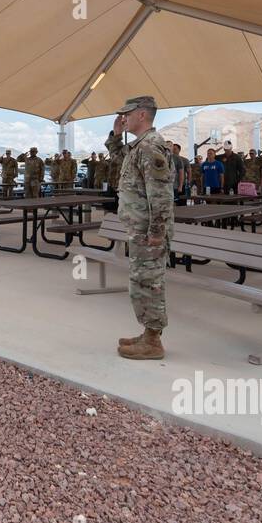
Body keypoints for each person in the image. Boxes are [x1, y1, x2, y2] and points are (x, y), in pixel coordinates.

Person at [113, 96, 175, 360]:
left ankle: (153, 342)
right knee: (141, 282)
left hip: (148, 232)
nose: (123, 118)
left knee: (149, 283)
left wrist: (156, 233)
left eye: (127, 114)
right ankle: (149, 333)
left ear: (141, 115)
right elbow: (118, 159)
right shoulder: (139, 147)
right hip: (139, 229)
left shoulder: (150, 147)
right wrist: (115, 136)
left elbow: (160, 196)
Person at [105, 120, 127, 210]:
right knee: (111, 208)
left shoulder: (122, 149)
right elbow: (109, 146)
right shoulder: (116, 150)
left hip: (120, 185)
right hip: (113, 183)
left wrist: (117, 136)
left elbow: (113, 150)